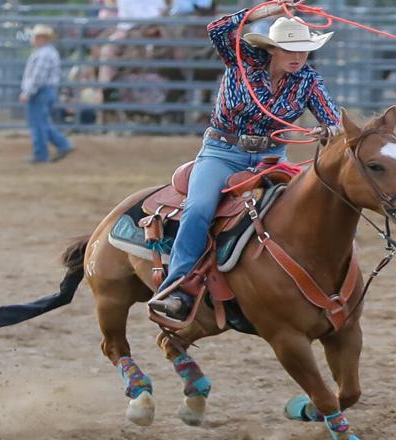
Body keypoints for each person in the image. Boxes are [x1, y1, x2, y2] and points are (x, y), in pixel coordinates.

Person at [146, 3, 343, 319]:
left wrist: (328, 128)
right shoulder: (243, 63)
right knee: (198, 210)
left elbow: (332, 118)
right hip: (223, 153)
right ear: (273, 49)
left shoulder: (309, 80)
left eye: (303, 51)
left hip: (271, 158)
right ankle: (177, 287)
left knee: (308, 209)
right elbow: (218, 30)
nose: (297, 57)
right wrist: (263, 12)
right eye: (290, 50)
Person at [20, 25, 75, 164]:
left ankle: (41, 155)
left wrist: (27, 92)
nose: (33, 39)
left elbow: (38, 77)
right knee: (42, 122)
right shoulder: (47, 52)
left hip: (40, 91)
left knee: (38, 124)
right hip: (45, 91)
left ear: (41, 38)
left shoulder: (43, 54)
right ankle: (63, 144)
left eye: (35, 37)